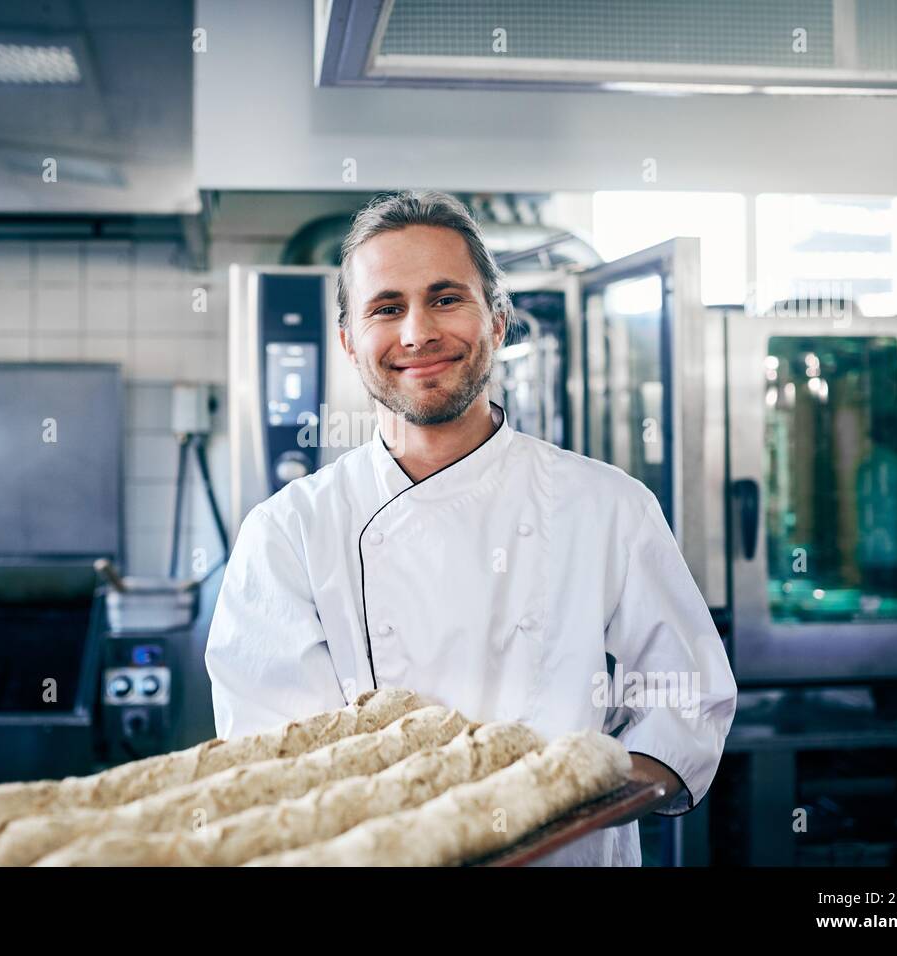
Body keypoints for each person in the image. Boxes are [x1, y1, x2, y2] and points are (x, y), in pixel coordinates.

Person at [205, 190, 737, 865]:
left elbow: (685, 701)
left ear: (498, 323)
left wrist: (555, 807)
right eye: (386, 307)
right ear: (348, 341)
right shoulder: (286, 534)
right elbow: (279, 761)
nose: (417, 333)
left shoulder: (607, 507)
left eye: (446, 298)